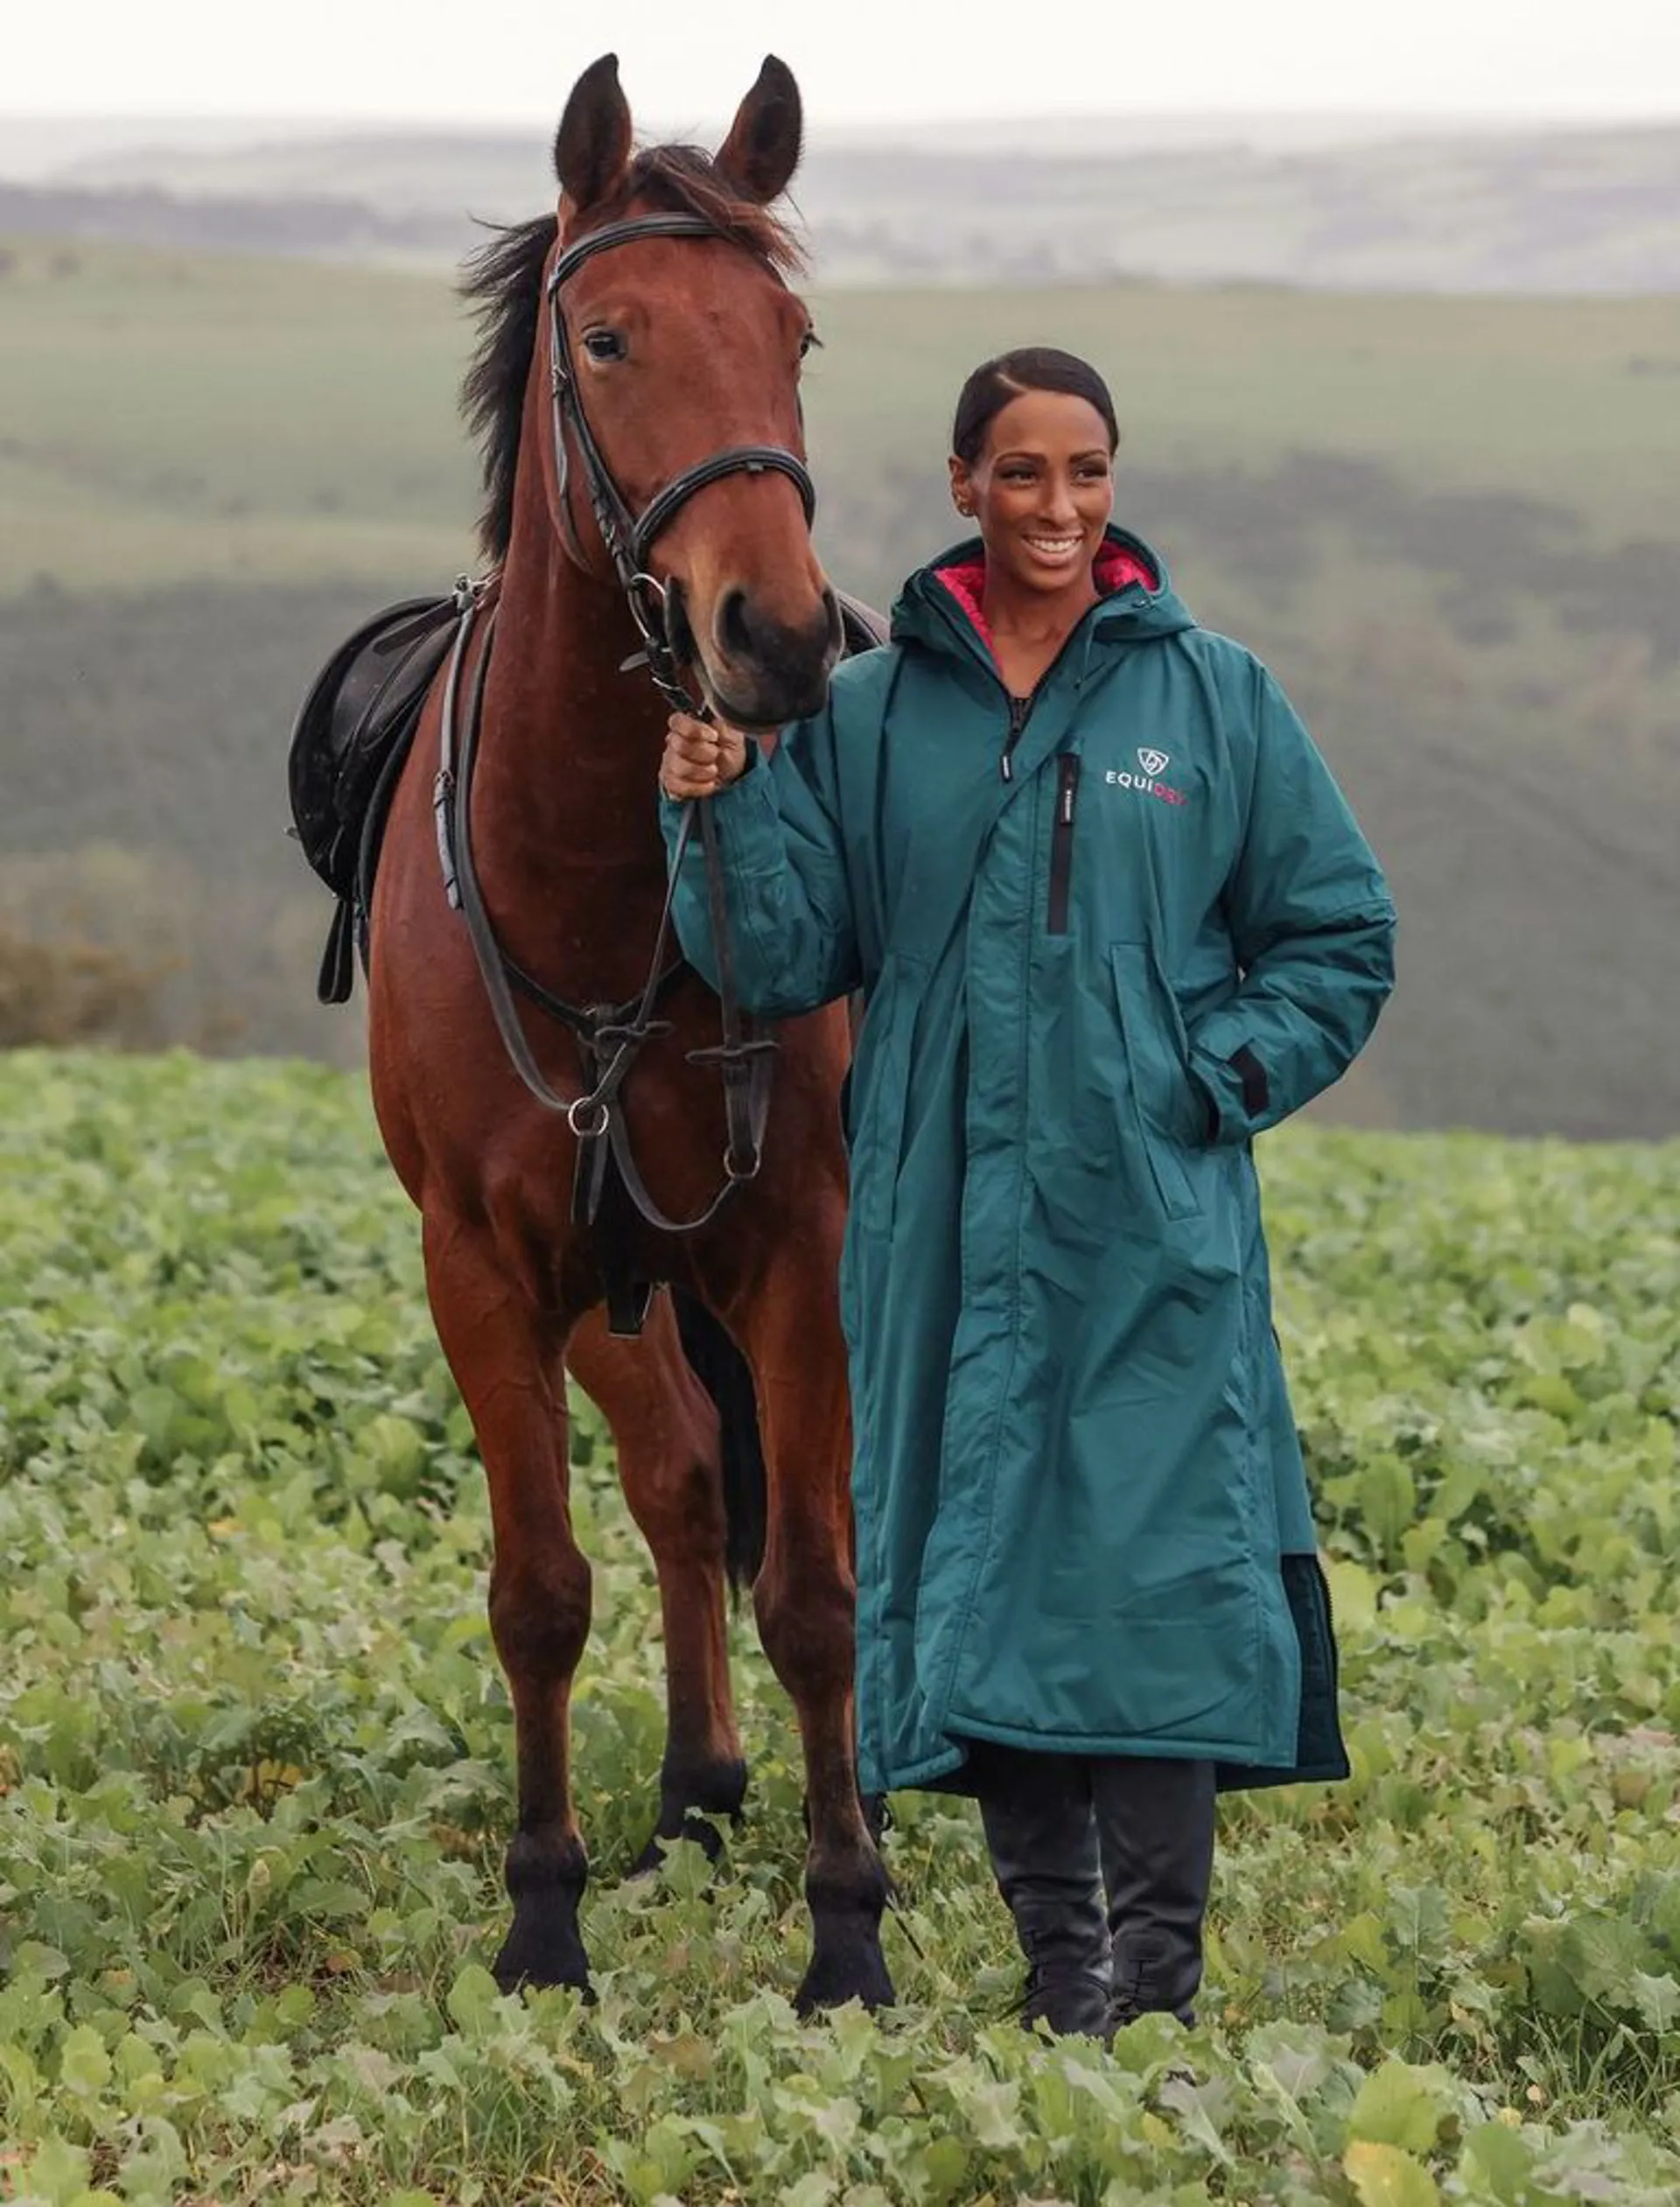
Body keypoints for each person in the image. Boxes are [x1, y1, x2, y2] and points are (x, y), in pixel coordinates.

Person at [659, 347, 1396, 2038]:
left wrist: (1204, 1080)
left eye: (1085, 471)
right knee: (989, 1583)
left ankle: (1161, 1991)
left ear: (1114, 484)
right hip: (940, 1230)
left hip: (1151, 1228)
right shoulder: (863, 712)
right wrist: (714, 813)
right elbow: (778, 953)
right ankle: (1064, 1977)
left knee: (1147, 1588)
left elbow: (1340, 936)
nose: (1055, 507)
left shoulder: (1213, 698)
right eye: (1020, 474)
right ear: (961, 485)